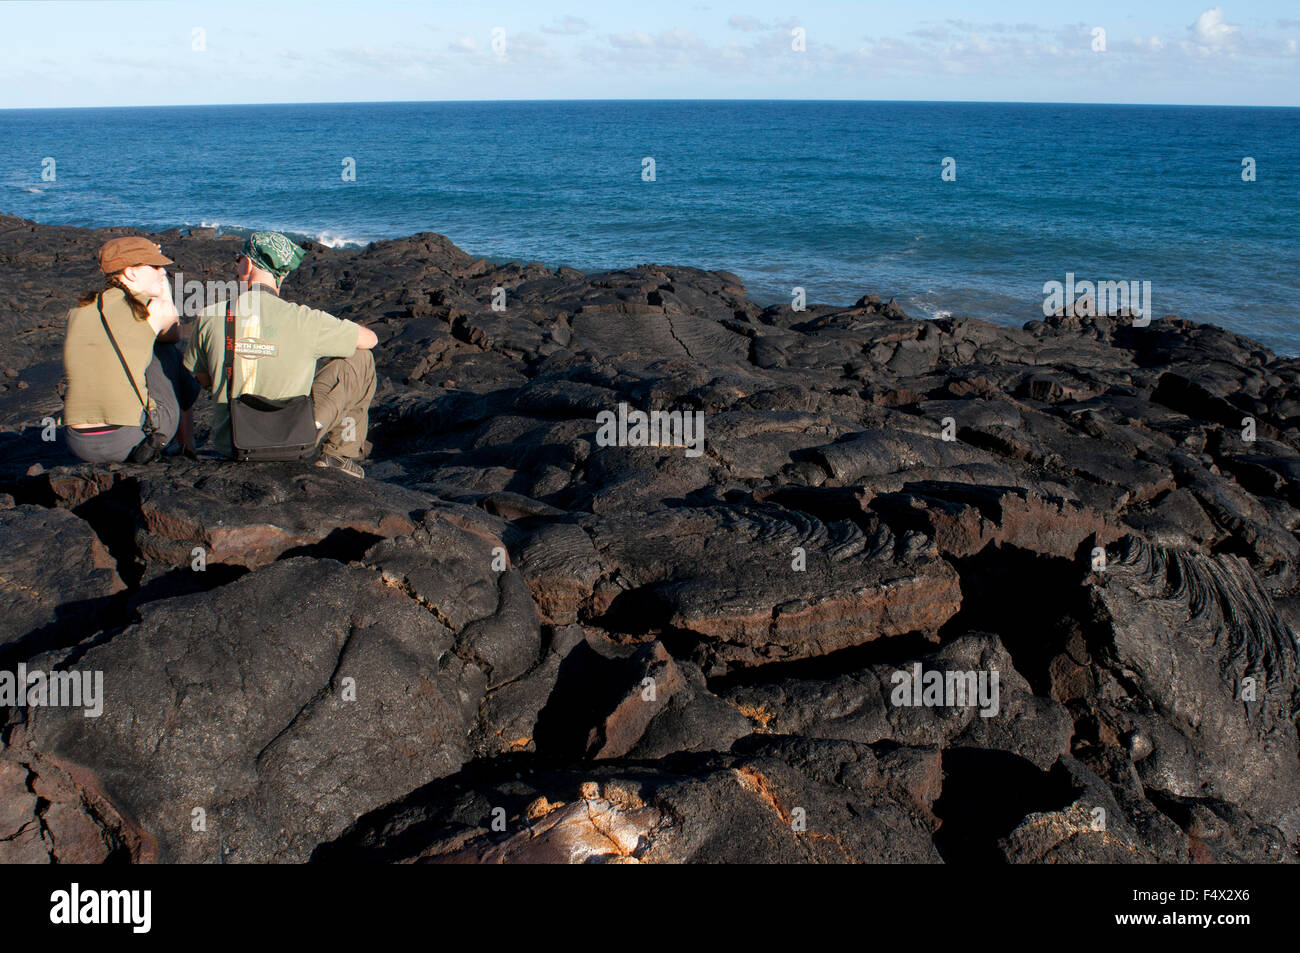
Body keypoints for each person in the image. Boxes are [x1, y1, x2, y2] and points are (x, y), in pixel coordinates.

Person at [183, 231, 377, 477]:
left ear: (246, 264)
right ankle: (339, 455)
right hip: (294, 442)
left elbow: (202, 379)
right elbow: (371, 339)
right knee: (360, 358)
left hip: (231, 444)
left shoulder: (211, 315)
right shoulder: (305, 319)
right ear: (283, 273)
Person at [62, 236, 198, 464]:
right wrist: (162, 290)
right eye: (155, 267)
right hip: (129, 440)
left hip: (77, 442)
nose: (162, 273)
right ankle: (186, 447)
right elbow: (173, 332)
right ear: (130, 272)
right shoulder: (151, 309)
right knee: (166, 350)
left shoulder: (78, 310)